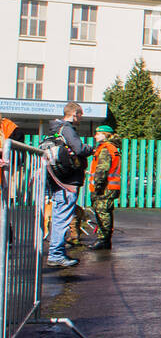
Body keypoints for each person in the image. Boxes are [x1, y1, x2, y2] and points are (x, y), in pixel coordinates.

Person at [45, 102, 94, 268]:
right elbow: (79, 149)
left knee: (59, 215)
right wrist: (90, 148)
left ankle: (56, 252)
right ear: (75, 114)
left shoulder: (53, 129)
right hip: (69, 181)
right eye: (80, 115)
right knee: (62, 217)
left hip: (57, 178)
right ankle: (56, 254)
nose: (80, 118)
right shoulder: (67, 129)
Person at [87, 124, 121, 250]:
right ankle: (104, 239)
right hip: (109, 187)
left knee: (103, 213)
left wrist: (98, 186)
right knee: (105, 212)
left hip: (105, 188)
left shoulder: (106, 149)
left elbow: (102, 170)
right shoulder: (111, 148)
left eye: (97, 133)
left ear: (104, 135)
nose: (95, 136)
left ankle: (104, 240)